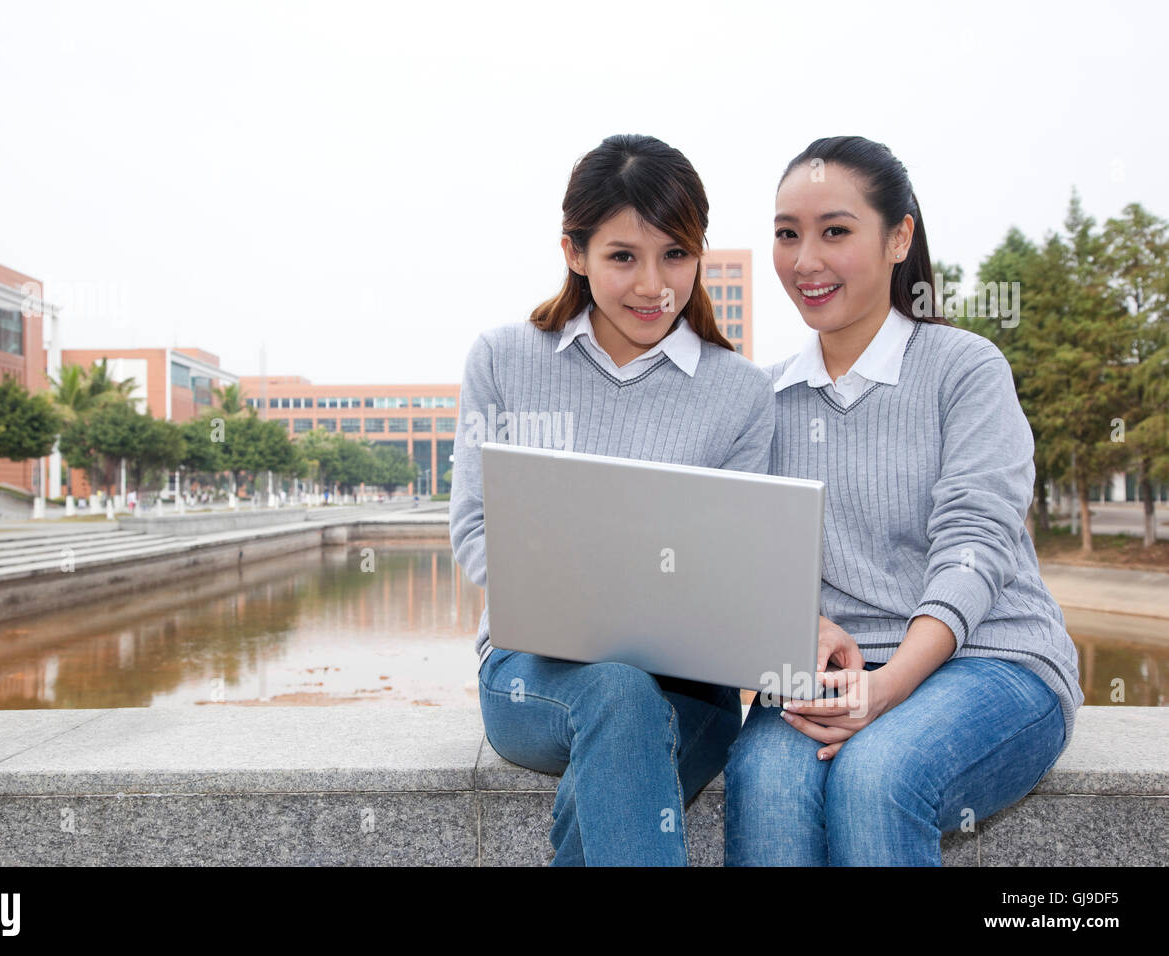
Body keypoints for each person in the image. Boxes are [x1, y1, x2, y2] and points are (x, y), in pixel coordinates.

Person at [451, 133, 859, 866]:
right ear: (574, 252)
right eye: (622, 257)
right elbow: (477, 532)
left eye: (675, 254)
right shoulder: (503, 360)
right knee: (617, 692)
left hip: (693, 701)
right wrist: (580, 602)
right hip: (531, 678)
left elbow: (743, 565)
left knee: (627, 722)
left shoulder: (738, 391)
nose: (654, 285)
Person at [723, 135, 1084, 866]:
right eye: (787, 235)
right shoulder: (761, 399)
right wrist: (803, 621)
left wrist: (888, 688)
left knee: (878, 775)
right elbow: (742, 555)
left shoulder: (965, 370)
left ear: (898, 238)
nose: (805, 260)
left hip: (990, 657)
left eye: (835, 231)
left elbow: (975, 545)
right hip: (825, 673)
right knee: (762, 783)